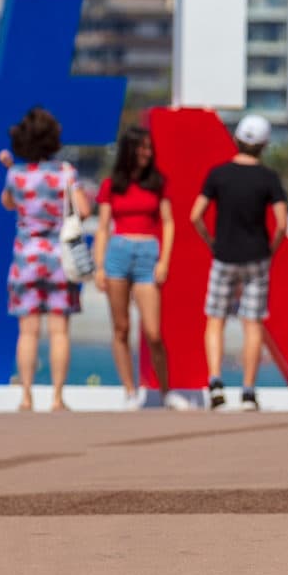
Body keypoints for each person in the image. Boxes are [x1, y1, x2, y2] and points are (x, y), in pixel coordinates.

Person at [189, 114, 288, 412]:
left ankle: (215, 383)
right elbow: (282, 224)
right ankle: (248, 391)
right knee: (252, 324)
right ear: (264, 145)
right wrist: (271, 250)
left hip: (224, 256)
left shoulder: (219, 174)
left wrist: (211, 242)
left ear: (236, 139)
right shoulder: (268, 178)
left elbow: (195, 215)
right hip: (256, 257)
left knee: (215, 320)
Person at [0, 106, 89, 413]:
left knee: (28, 331)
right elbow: (84, 210)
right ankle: (57, 397)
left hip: (26, 258)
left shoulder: (16, 175)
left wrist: (12, 170)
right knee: (59, 331)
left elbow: (8, 203)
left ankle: (26, 396)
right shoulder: (65, 173)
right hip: (59, 258)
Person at [94, 125, 190, 411]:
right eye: (142, 147)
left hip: (148, 254)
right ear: (130, 150)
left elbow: (169, 222)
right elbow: (103, 227)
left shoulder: (157, 182)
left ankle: (165, 391)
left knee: (153, 332)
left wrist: (164, 261)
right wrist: (99, 266)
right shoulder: (112, 185)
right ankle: (129, 391)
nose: (147, 153)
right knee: (121, 327)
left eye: (149, 148)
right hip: (118, 254)